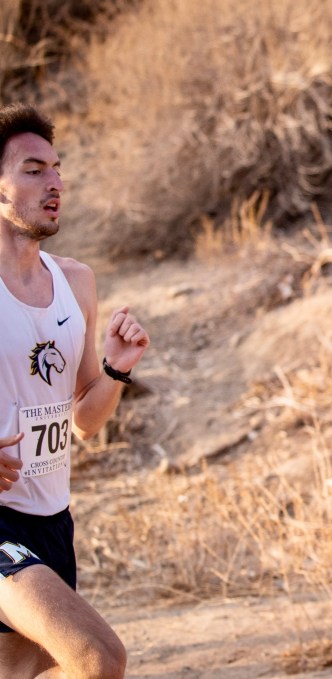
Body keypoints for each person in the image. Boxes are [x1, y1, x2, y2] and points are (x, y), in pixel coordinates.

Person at [0, 103, 150, 679]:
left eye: (57, 169)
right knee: (97, 657)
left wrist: (115, 371)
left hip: (52, 520)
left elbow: (84, 421)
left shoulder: (76, 282)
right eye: (34, 170)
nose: (55, 183)